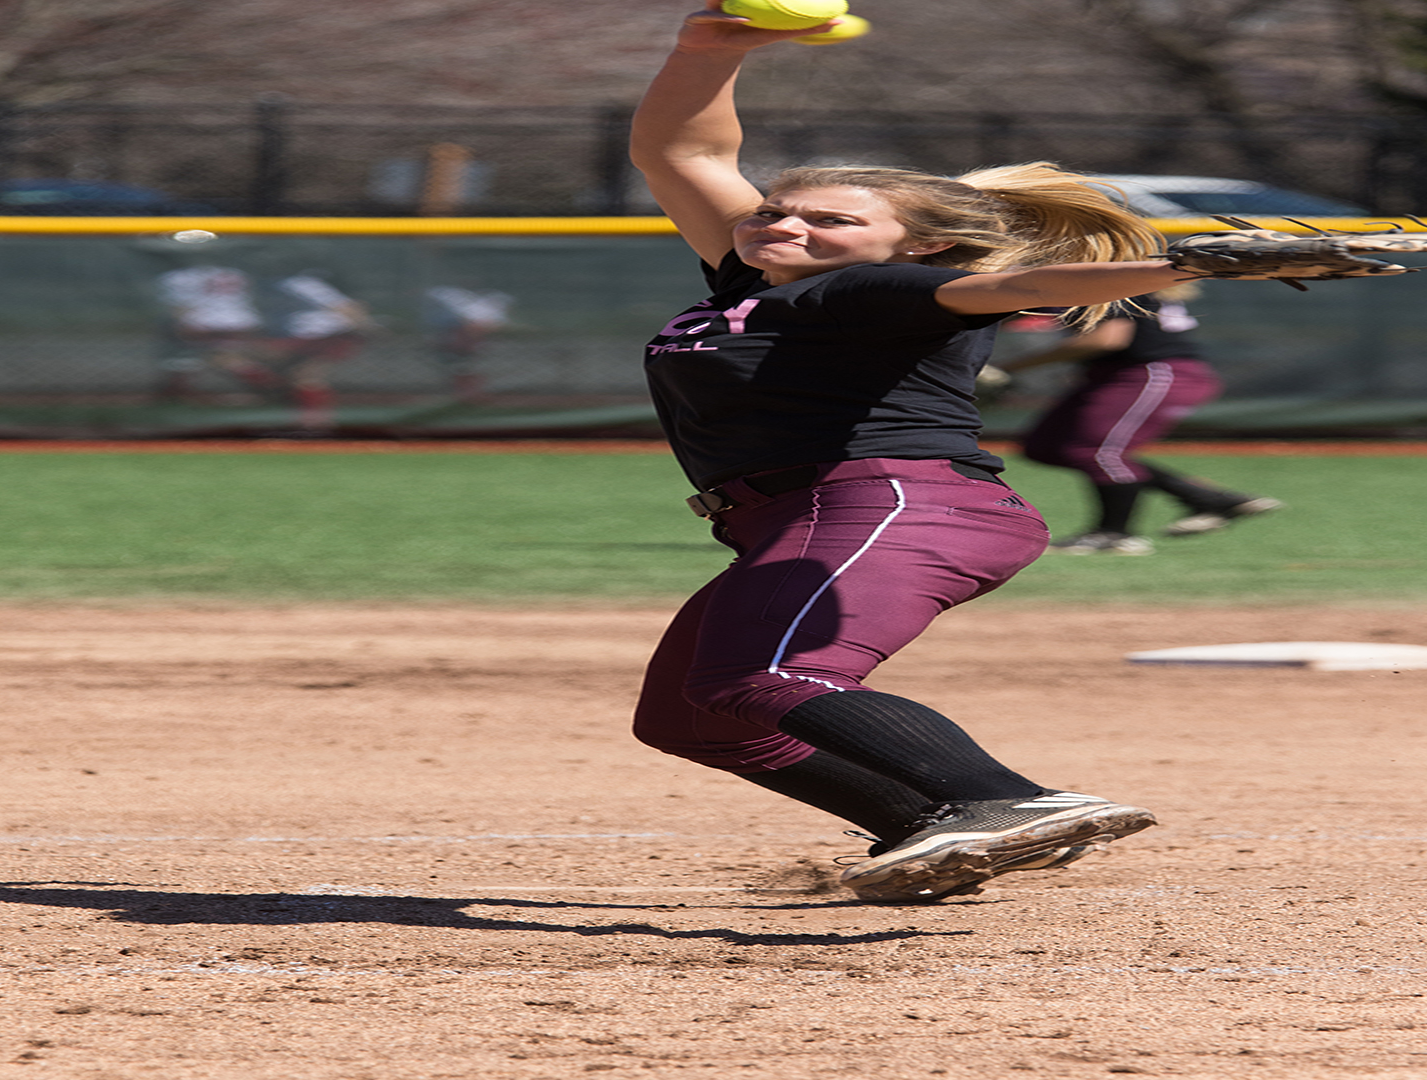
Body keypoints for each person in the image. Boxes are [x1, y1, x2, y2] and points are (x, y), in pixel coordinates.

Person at [624, 3, 1270, 903]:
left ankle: (1006, 800)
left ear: (919, 247)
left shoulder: (877, 288)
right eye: (776, 207)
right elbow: (684, 156)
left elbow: (1023, 283)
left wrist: (1187, 263)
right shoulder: (755, 279)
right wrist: (704, 53)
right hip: (802, 514)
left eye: (831, 219)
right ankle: (930, 829)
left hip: (890, 503)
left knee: (769, 674)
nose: (788, 222)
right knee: (691, 717)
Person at [995, 281, 1283, 555]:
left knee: (1097, 451)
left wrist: (1009, 367)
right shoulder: (1099, 281)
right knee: (1047, 446)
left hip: (1154, 372)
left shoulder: (1110, 283)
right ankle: (1211, 500)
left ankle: (1115, 534)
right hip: (1116, 374)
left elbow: (1106, 340)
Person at [260, 271, 375, 435]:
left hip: (324, 335)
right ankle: (312, 422)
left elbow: (346, 307)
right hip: (301, 337)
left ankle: (315, 425)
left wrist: (366, 327)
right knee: (297, 378)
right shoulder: (272, 281)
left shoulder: (298, 283)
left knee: (308, 377)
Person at [155, 264, 264, 404]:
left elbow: (179, 307)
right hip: (242, 321)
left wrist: (182, 325)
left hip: (203, 323)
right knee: (222, 357)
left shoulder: (178, 275)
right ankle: (178, 390)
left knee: (202, 356)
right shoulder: (234, 271)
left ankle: (269, 386)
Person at [423, 285, 514, 403]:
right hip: (457, 349)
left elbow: (485, 328)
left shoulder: (486, 314)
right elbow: (465, 329)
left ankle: (469, 392)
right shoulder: (455, 315)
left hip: (467, 349)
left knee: (466, 369)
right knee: (460, 368)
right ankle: (465, 393)